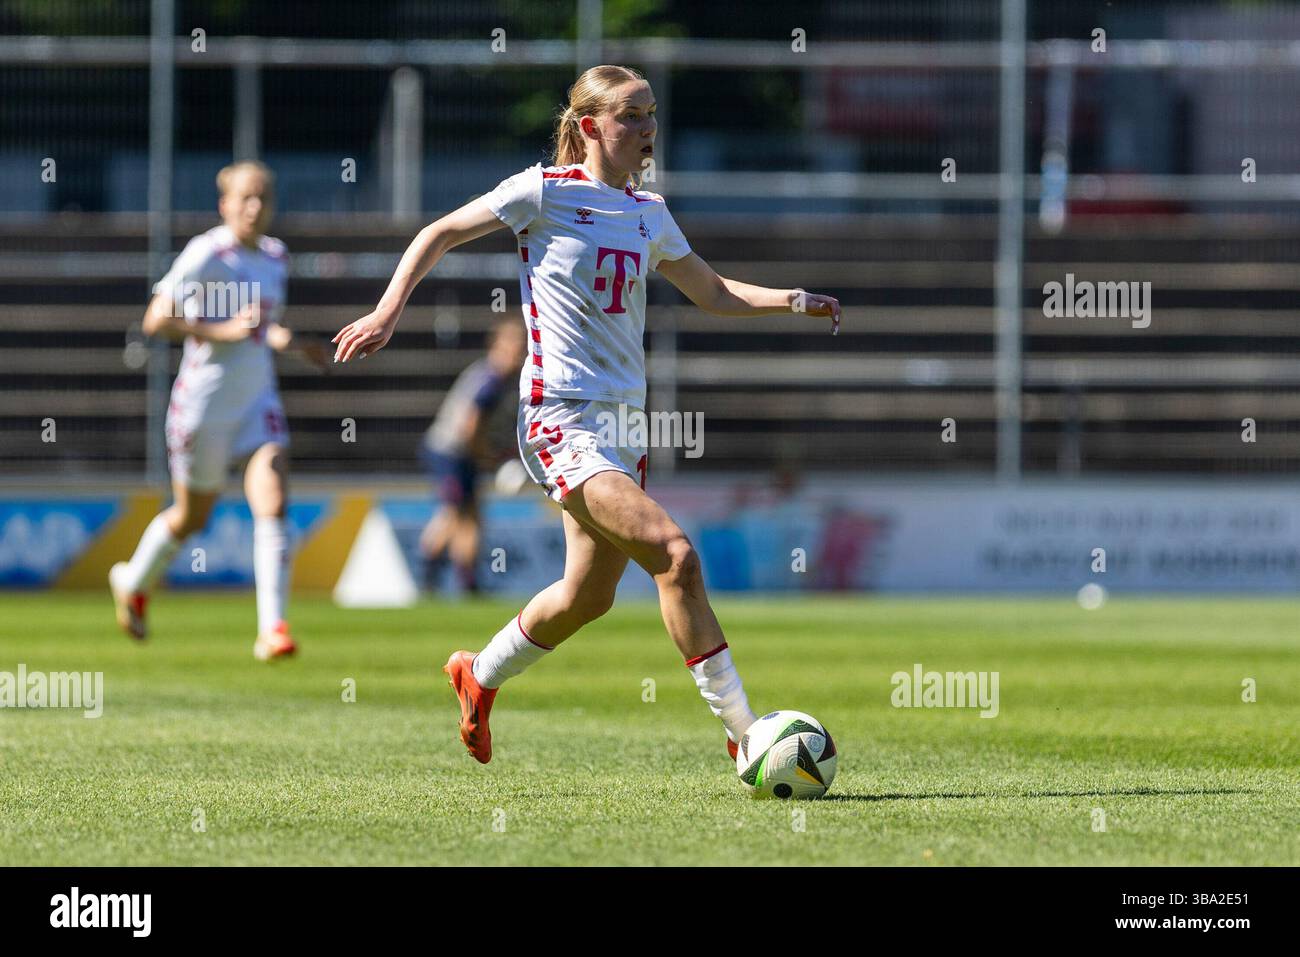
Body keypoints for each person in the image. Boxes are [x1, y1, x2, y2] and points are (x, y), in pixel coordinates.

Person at [332, 65, 840, 763]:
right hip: (559, 417)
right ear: (590, 126)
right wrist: (388, 311)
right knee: (676, 555)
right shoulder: (541, 191)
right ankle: (744, 730)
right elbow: (439, 231)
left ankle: (477, 675)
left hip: (624, 426)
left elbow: (713, 291)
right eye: (631, 116)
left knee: (587, 595)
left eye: (651, 115)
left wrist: (793, 298)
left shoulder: (649, 212)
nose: (647, 130)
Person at [109, 161, 329, 660]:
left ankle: (273, 628)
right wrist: (222, 329)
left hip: (257, 403)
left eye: (263, 199)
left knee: (272, 501)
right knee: (191, 517)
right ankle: (132, 581)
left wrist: (292, 343)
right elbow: (155, 319)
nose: (254, 208)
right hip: (202, 407)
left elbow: (262, 328)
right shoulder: (207, 254)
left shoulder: (276, 258)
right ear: (224, 204)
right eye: (244, 198)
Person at [419, 319, 526, 592]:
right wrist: (489, 458)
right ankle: (429, 577)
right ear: (497, 345)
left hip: (459, 453)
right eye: (514, 345)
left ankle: (468, 582)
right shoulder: (491, 379)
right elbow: (470, 427)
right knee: (453, 514)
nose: (520, 352)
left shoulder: (496, 376)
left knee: (473, 516)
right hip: (450, 452)